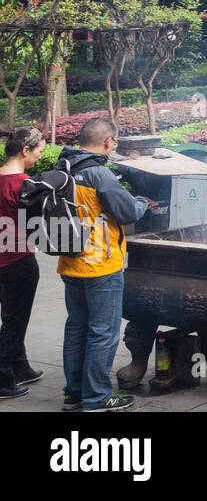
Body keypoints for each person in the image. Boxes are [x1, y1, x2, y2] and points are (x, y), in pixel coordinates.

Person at [58, 117, 151, 413]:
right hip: (100, 265)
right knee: (103, 331)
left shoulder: (63, 167)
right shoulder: (99, 174)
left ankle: (74, 394)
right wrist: (141, 201)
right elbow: (127, 212)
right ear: (108, 142)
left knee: (76, 327)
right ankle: (97, 398)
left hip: (70, 261)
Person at [0, 126, 45, 400]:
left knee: (10, 317)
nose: (40, 156)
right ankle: (3, 379)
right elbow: (37, 226)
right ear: (25, 150)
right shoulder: (24, 185)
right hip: (18, 260)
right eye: (38, 151)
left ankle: (20, 366)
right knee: (15, 322)